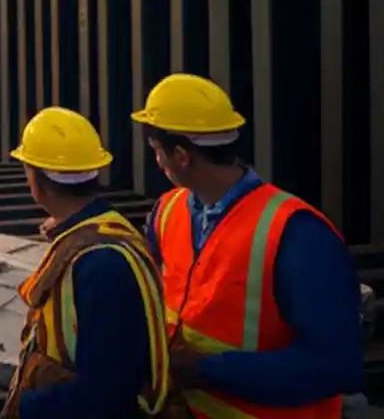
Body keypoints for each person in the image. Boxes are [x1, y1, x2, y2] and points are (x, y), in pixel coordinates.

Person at [134, 73, 365, 417]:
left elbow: (333, 366)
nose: (158, 163)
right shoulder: (167, 211)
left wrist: (204, 370)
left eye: (157, 152)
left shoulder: (297, 233)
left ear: (181, 155)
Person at [0, 107, 172, 419]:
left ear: (36, 179)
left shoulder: (101, 264)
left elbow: (107, 393)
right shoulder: (98, 236)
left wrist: (24, 408)